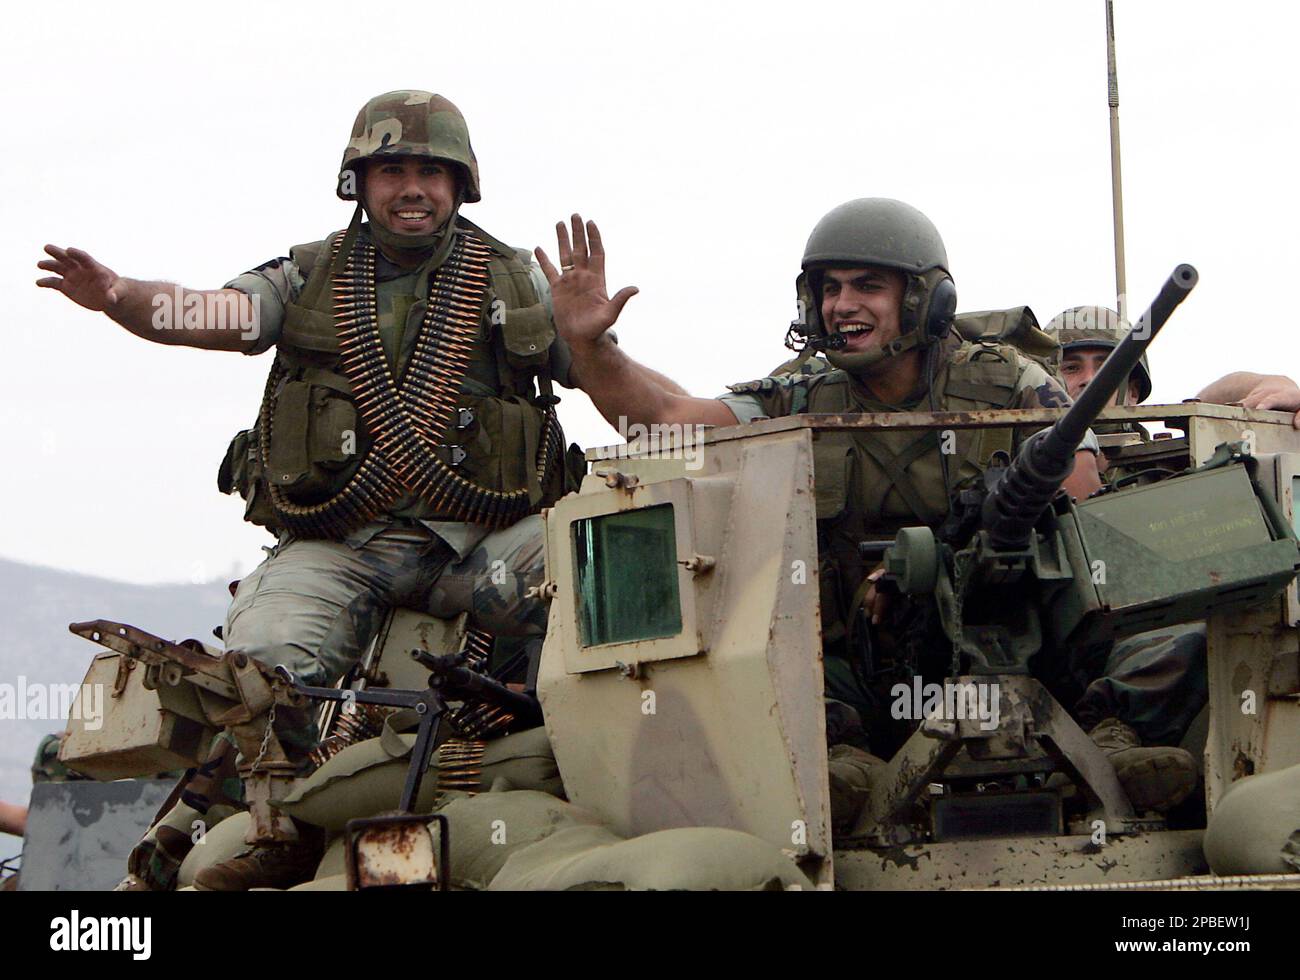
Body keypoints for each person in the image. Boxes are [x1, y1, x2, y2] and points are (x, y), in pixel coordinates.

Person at [36, 90, 582, 890]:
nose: (412, 189)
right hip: (338, 547)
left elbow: (605, 374)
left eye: (432, 171)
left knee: (593, 587)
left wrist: (598, 342)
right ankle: (266, 825)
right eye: (391, 169)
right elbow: (218, 313)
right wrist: (123, 299)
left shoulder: (519, 279)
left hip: (479, 541)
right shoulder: (307, 274)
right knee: (260, 666)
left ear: (463, 184)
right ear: (357, 182)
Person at [533, 200, 1208, 817]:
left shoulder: (1006, 379)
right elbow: (664, 424)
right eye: (829, 287)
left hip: (1021, 649)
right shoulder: (801, 396)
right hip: (863, 667)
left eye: (866, 286)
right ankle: (842, 754)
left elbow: (1081, 482)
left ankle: (1106, 729)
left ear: (925, 299)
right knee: (753, 639)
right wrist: (592, 348)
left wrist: (968, 557)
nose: (840, 304)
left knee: (1158, 607)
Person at [1043, 307, 1300, 809]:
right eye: (1071, 367)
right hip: (1060, 631)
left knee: (1202, 622)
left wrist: (1279, 384)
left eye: (1110, 366)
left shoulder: (1170, 455)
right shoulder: (1020, 459)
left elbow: (1220, 396)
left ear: (1135, 389)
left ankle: (1116, 733)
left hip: (1151, 629)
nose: (1090, 380)